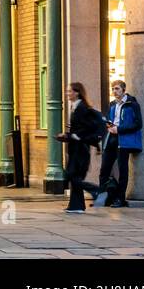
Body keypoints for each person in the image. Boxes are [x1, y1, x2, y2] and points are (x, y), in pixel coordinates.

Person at [58, 82, 108, 213]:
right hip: (78, 147)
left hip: (80, 149)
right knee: (75, 176)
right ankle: (77, 206)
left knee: (72, 175)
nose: (67, 94)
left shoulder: (82, 108)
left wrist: (73, 136)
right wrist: (69, 135)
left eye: (69, 91)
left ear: (77, 92)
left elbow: (87, 128)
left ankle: (96, 190)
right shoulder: (76, 107)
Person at [99, 80, 142, 208]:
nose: (114, 91)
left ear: (124, 90)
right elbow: (110, 119)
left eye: (117, 89)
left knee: (123, 170)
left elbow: (138, 124)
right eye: (112, 89)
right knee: (104, 169)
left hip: (124, 140)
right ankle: (103, 199)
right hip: (111, 137)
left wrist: (119, 129)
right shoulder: (112, 104)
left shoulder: (132, 104)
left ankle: (120, 199)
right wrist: (108, 126)